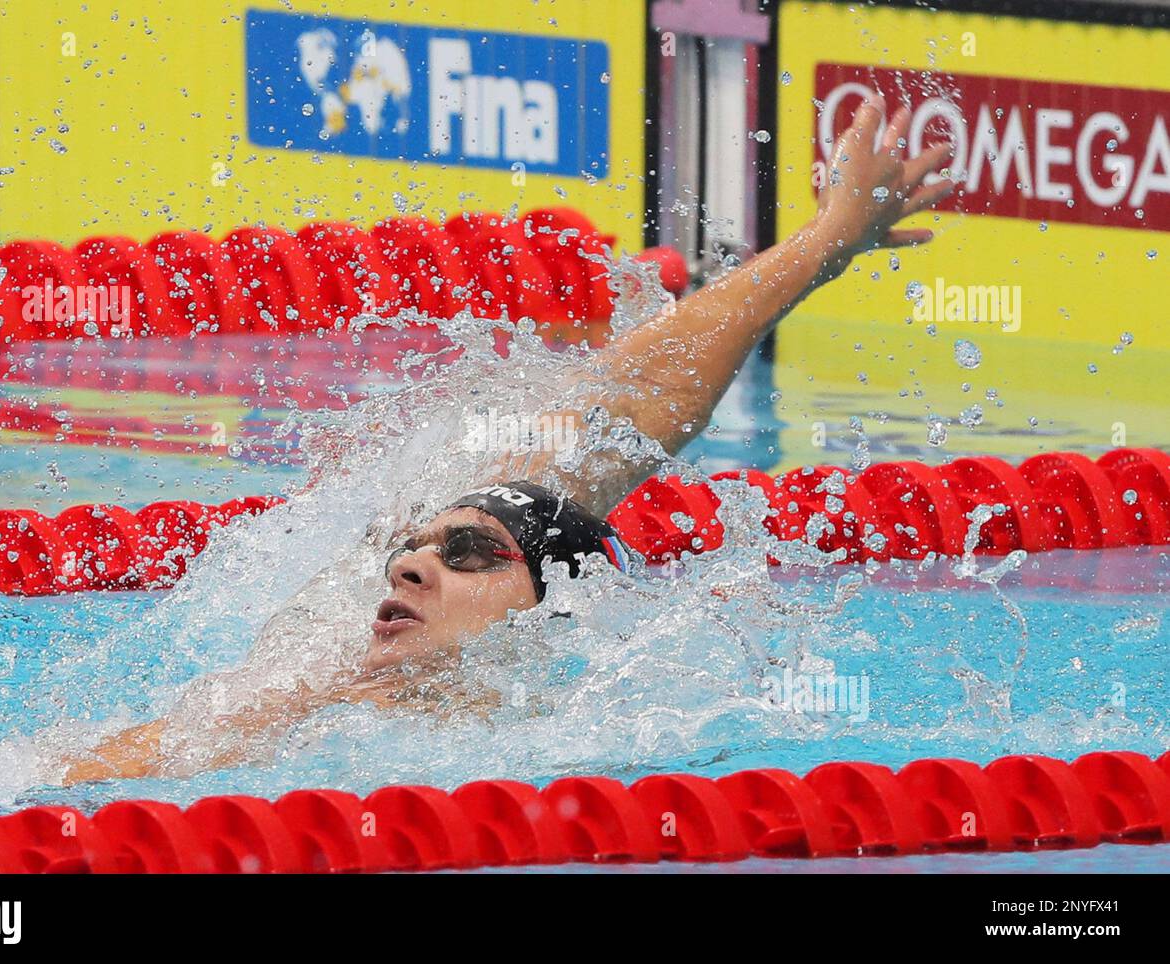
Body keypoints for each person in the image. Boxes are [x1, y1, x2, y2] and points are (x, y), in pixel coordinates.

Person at [61, 96, 953, 785]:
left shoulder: (613, 731)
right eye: (411, 550)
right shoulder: (297, 696)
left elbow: (651, 392)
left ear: (549, 607)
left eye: (467, 553)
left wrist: (831, 240)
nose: (407, 568)